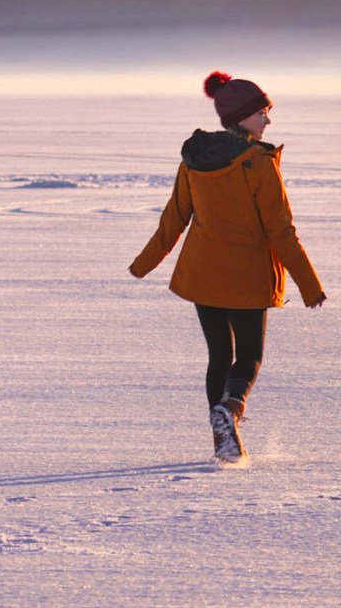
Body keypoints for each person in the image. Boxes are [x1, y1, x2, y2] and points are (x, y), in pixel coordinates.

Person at [128, 71, 326, 462]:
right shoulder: (259, 163)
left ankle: (223, 443)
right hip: (247, 276)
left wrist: (142, 266)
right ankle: (231, 408)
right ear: (241, 117)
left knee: (220, 355)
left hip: (202, 275)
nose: (267, 121)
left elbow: (173, 219)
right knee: (249, 355)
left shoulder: (195, 160)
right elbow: (281, 231)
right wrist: (309, 285)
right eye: (262, 113)